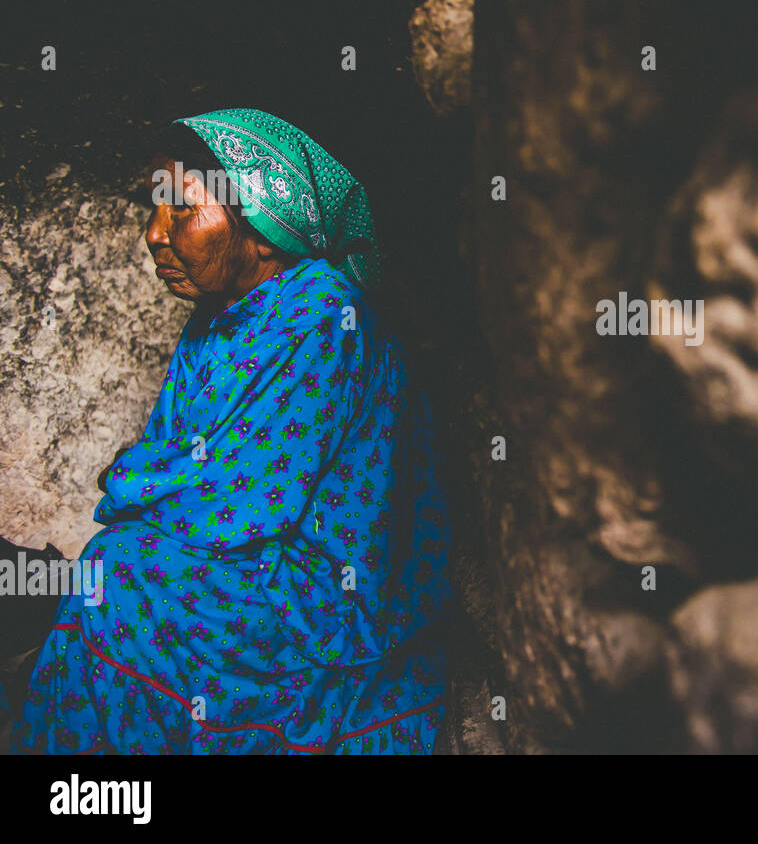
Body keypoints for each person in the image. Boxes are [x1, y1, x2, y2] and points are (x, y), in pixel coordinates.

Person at [11, 108, 450, 754]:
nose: (154, 234)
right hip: (247, 550)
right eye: (152, 210)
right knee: (112, 564)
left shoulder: (324, 315)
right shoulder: (219, 317)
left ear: (265, 229)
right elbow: (179, 456)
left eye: (179, 211)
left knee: (116, 569)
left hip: (325, 586)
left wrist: (128, 477)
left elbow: (243, 505)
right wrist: (140, 480)